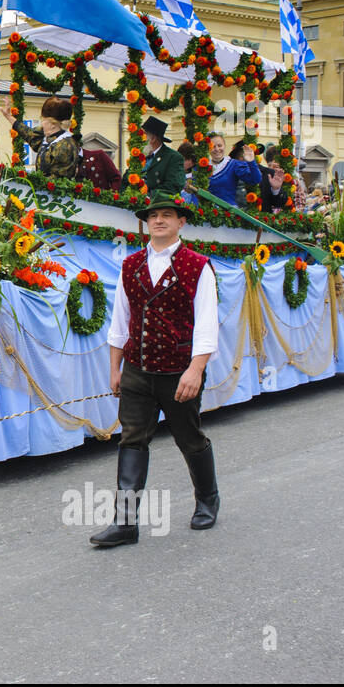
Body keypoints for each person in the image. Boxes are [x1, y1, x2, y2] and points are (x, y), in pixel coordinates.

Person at [91, 191, 220, 548]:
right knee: (132, 439)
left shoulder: (198, 266)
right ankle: (125, 522)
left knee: (188, 436)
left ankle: (207, 499)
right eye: (153, 215)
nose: (159, 220)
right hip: (137, 368)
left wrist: (195, 370)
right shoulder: (130, 265)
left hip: (179, 370)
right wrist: (115, 367)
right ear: (146, 223)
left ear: (181, 222)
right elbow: (121, 319)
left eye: (167, 215)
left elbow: (208, 325)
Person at [2, 97, 77, 178]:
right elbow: (28, 133)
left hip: (53, 190)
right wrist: (8, 116)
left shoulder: (66, 145)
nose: (42, 123)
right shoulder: (47, 137)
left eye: (43, 120)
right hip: (41, 189)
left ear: (53, 124)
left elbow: (58, 180)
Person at [205, 135, 263, 206]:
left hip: (229, 212)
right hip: (206, 213)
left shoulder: (234, 164)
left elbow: (256, 179)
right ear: (208, 148)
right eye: (213, 146)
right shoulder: (202, 166)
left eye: (220, 145)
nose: (217, 149)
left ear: (224, 146)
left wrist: (251, 162)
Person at [139, 116, 185, 195]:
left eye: (144, 135)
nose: (141, 139)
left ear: (153, 138)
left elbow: (172, 186)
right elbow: (126, 179)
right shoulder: (140, 156)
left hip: (157, 203)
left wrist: (147, 196)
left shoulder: (173, 157)